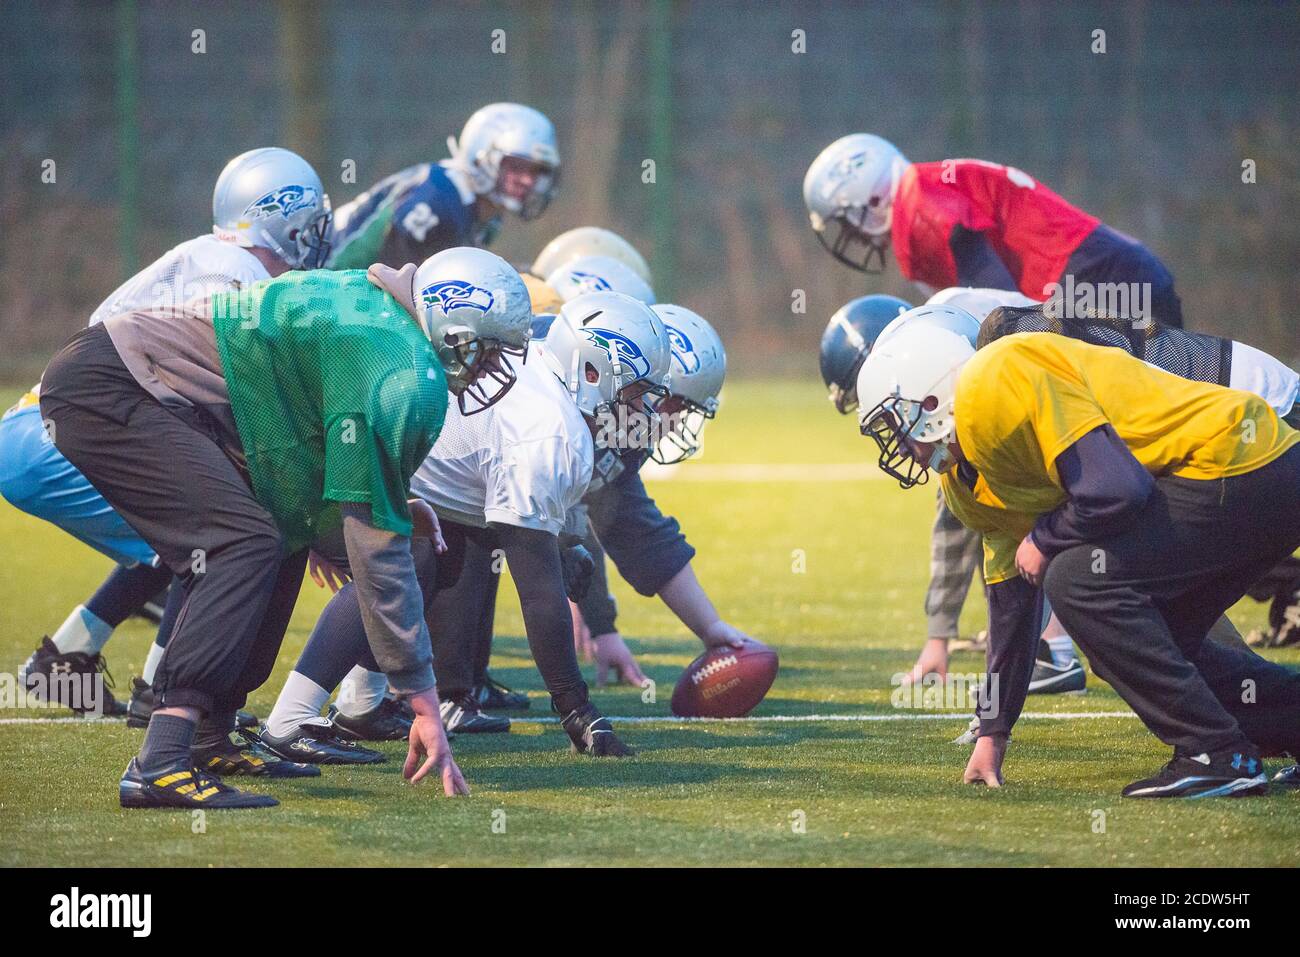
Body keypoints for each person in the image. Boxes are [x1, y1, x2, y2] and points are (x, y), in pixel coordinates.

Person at [38, 243, 534, 808]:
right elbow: (377, 549)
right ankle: (161, 760)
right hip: (118, 384)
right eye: (489, 350)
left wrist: (390, 497)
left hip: (147, 386)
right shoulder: (400, 366)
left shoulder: (380, 316)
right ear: (452, 321)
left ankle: (208, 734)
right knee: (240, 544)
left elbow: (313, 444)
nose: (493, 368)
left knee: (275, 539)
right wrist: (420, 693)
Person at [855, 310, 1300, 797]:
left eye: (893, 422)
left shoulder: (995, 378)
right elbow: (1012, 611)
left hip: (1239, 459)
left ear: (931, 394)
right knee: (1138, 642)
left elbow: (1116, 488)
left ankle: (1214, 752)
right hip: (1245, 477)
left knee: (1077, 579)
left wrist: (1045, 540)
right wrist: (993, 731)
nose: (895, 442)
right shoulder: (965, 481)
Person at [7, 147, 331, 723]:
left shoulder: (216, 260)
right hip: (57, 432)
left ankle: (68, 660)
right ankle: (161, 691)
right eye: (310, 224)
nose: (317, 238)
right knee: (216, 525)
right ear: (281, 218)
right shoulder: (235, 278)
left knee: (197, 523)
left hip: (34, 431)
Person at [273, 290, 672, 756]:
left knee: (423, 553)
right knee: (399, 559)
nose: (643, 411)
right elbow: (539, 594)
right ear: (592, 371)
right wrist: (576, 709)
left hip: (382, 451)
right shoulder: (550, 430)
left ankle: (360, 706)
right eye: (637, 393)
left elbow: (493, 499)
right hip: (331, 442)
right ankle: (290, 719)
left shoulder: (550, 375)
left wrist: (560, 544)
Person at [803, 134, 1183, 326]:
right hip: (1103, 275)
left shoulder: (920, 206)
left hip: (1099, 283)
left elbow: (1004, 312)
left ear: (870, 199)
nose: (853, 237)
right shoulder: (924, 190)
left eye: (846, 224)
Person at [327, 103, 559, 270]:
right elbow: (396, 281)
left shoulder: (488, 212)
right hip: (328, 279)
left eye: (536, 171)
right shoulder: (438, 198)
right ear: (480, 155)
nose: (528, 181)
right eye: (516, 167)